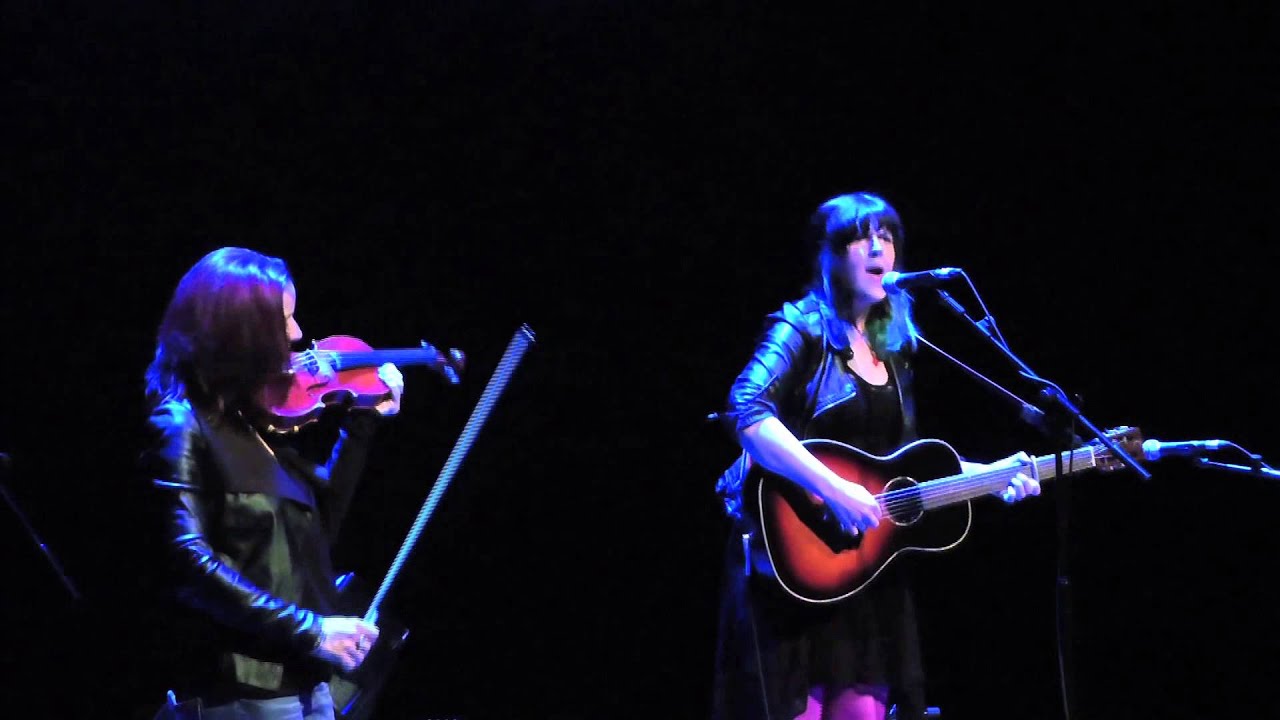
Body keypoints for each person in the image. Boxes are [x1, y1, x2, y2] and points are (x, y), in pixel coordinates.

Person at [710, 192, 1041, 720]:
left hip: (864, 575)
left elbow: (894, 473)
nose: (877, 246)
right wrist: (834, 490)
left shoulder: (898, 348)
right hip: (791, 567)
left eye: (886, 236)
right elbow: (746, 412)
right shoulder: (801, 327)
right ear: (829, 254)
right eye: (861, 236)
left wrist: (993, 477)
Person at [136, 247, 404, 720]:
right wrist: (313, 631)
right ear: (239, 332)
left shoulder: (258, 426)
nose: (299, 335)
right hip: (243, 697)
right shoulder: (182, 424)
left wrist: (362, 424)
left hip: (305, 688)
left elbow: (320, 529)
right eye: (284, 320)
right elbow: (189, 562)